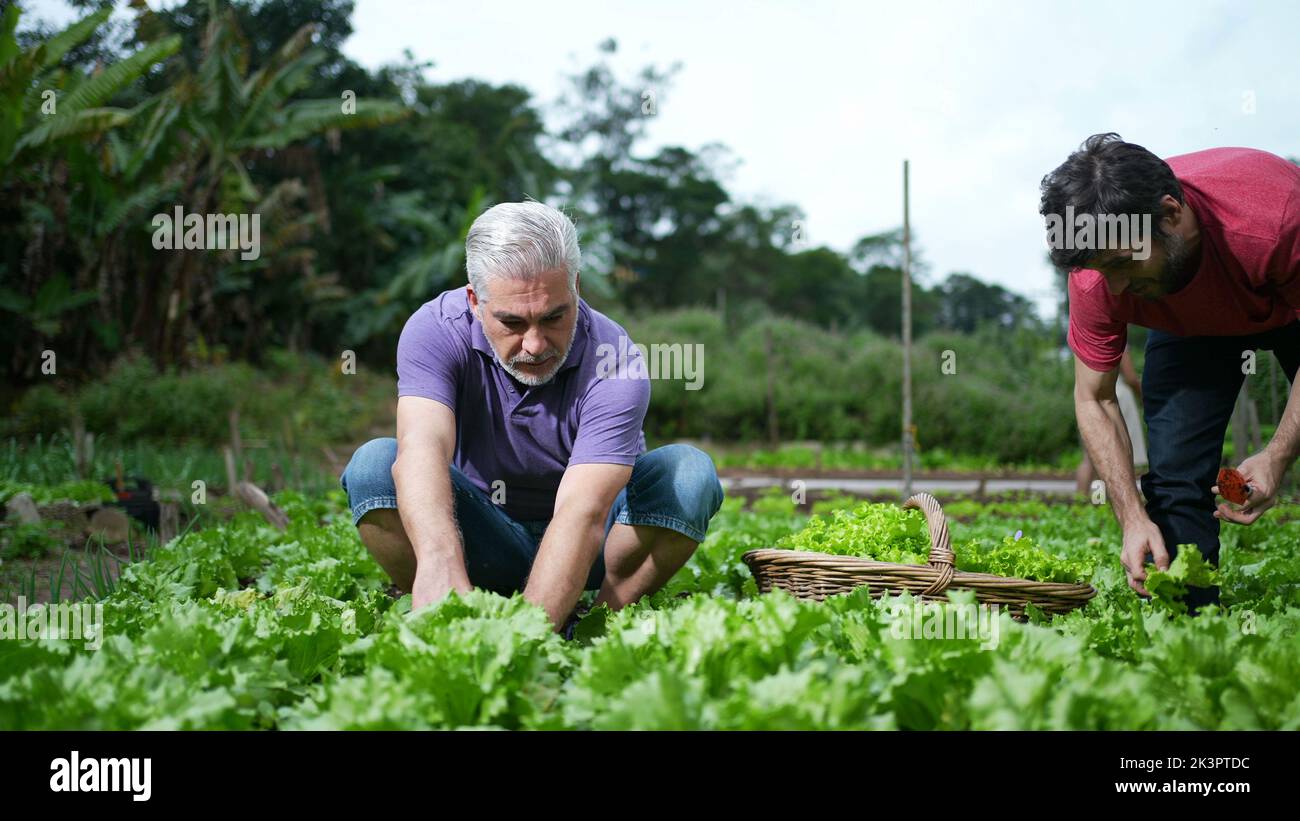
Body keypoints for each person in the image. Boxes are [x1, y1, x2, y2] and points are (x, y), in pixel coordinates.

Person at [340, 201, 724, 633]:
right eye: (513, 323)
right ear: (474, 300)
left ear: (576, 287)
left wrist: (524, 637)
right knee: (374, 465)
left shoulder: (615, 360)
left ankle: (599, 621)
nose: (536, 344)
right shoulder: (434, 329)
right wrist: (439, 556)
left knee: (689, 473)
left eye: (553, 316)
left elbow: (584, 511)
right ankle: (445, 603)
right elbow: (422, 446)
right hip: (481, 539)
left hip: (594, 547)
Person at [1040, 134, 1300, 609]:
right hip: (1191, 326)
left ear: (1171, 214)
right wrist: (1132, 517)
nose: (1116, 286)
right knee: (1175, 479)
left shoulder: (1276, 219)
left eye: (1122, 262)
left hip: (1287, 298)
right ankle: (1189, 624)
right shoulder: (1098, 274)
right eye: (1101, 270)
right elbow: (1094, 398)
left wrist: (1278, 453)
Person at [1076, 345, 1146, 495]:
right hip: (1114, 395)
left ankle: (1083, 503)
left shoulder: (1082, 336)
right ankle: (1117, 502)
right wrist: (1144, 396)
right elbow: (1131, 377)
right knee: (1121, 454)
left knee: (1091, 457)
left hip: (1086, 395)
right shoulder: (1117, 337)